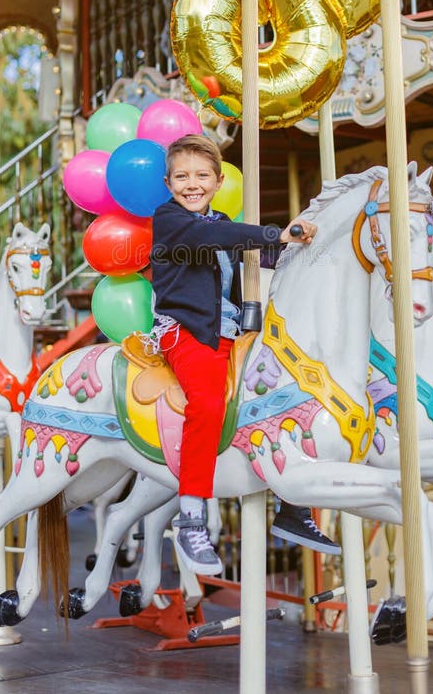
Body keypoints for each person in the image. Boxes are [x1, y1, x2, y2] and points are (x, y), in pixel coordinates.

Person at [150, 134, 340, 575]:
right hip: (187, 332)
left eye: (201, 176)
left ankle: (293, 504)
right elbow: (220, 235)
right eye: (182, 177)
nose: (191, 184)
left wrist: (301, 241)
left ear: (218, 181)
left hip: (232, 332)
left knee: (288, 396)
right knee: (209, 404)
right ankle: (192, 515)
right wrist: (275, 232)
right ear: (167, 183)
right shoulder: (170, 220)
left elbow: (256, 252)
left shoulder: (219, 222)